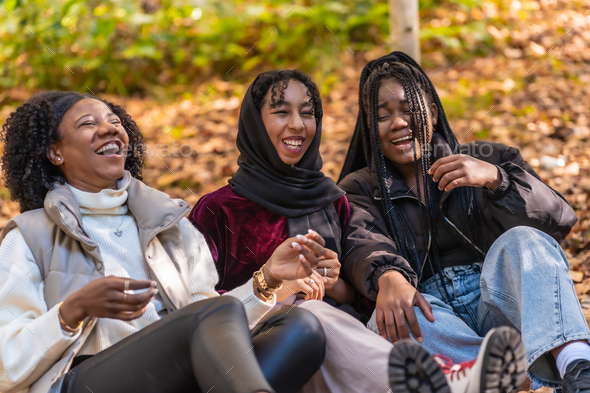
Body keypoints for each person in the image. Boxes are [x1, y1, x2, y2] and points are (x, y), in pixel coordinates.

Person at [189, 69, 527, 393]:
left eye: (307, 113)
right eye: (281, 112)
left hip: (343, 354)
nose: (297, 125)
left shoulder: (330, 201)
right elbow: (192, 310)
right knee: (311, 313)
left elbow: (362, 304)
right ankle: (450, 377)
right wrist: (275, 287)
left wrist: (335, 285)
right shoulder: (218, 210)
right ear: (254, 123)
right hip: (252, 358)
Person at [0, 91, 328, 393]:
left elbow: (214, 325)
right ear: (55, 152)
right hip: (82, 380)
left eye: (114, 121)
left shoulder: (168, 224)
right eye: (88, 124)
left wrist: (266, 279)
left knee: (300, 326)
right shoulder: (29, 236)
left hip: (175, 377)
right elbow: (6, 364)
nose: (108, 129)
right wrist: (72, 311)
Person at [337, 51, 590, 393]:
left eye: (409, 108)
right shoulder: (358, 188)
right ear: (370, 128)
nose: (398, 123)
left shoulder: (492, 158)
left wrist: (498, 180)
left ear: (434, 111)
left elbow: (556, 221)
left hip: (501, 303)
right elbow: (361, 240)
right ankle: (491, 373)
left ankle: (577, 368)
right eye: (383, 116)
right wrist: (387, 274)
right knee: (389, 324)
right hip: (432, 315)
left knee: (524, 241)